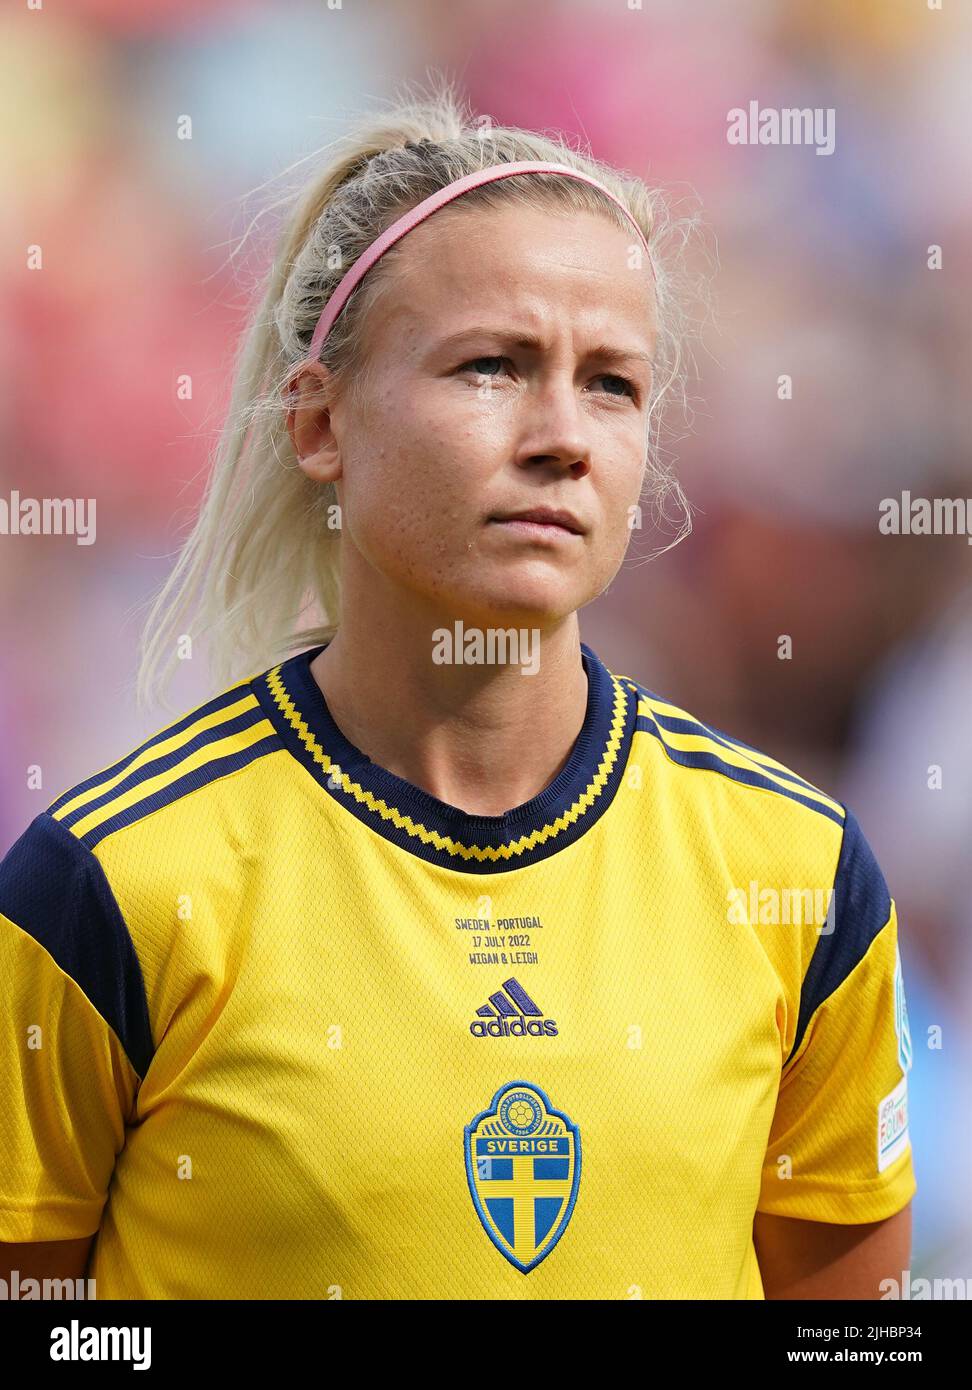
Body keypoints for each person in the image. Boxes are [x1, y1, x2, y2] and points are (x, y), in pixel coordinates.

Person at [0, 83, 914, 1299]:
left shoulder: (797, 870)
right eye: (492, 365)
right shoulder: (110, 882)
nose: (562, 436)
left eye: (613, 384)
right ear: (319, 421)